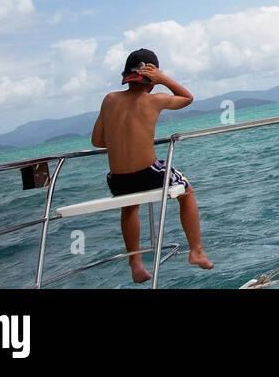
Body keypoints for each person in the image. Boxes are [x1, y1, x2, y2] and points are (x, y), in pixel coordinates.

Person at [91, 48, 213, 282]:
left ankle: (135, 263)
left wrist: (122, 137)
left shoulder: (109, 99)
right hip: (147, 173)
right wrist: (164, 78)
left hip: (117, 179)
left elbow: (97, 141)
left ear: (126, 76)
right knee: (186, 191)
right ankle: (196, 251)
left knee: (129, 208)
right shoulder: (155, 99)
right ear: (152, 80)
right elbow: (188, 98)